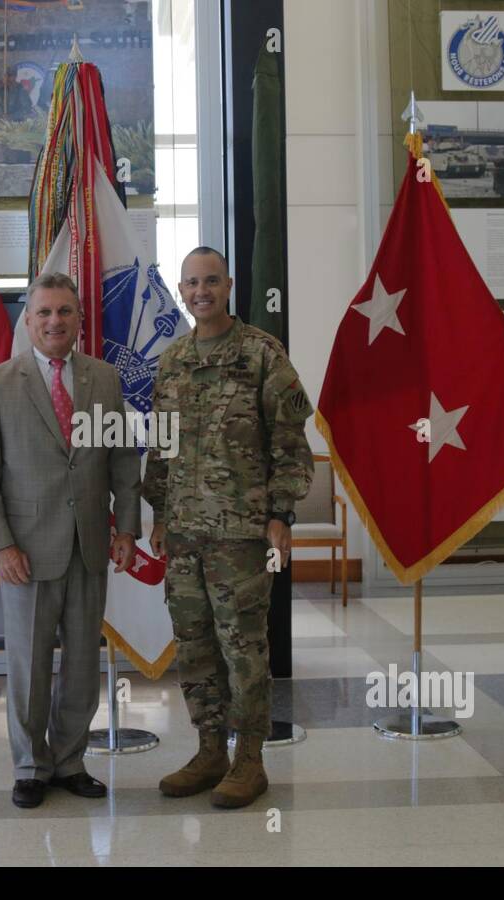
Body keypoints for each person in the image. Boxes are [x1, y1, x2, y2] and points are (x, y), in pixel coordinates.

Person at [143, 246, 314, 809]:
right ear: (182, 289)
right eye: (191, 283)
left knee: (243, 647)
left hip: (241, 535)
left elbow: (290, 445)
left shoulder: (262, 354)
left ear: (229, 284)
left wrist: (281, 515)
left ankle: (250, 759)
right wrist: (161, 514)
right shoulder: (172, 361)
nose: (201, 292)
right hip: (186, 533)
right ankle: (209, 748)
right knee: (194, 645)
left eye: (211, 281)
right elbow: (162, 450)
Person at [0, 273, 141, 809]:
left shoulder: (104, 380)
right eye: (44, 312)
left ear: (79, 319)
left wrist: (127, 527)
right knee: (30, 666)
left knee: (83, 664)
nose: (54, 321)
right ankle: (29, 766)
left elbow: (121, 460)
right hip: (26, 552)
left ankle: (70, 761)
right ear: (28, 320)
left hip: (89, 544)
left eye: (65, 311)